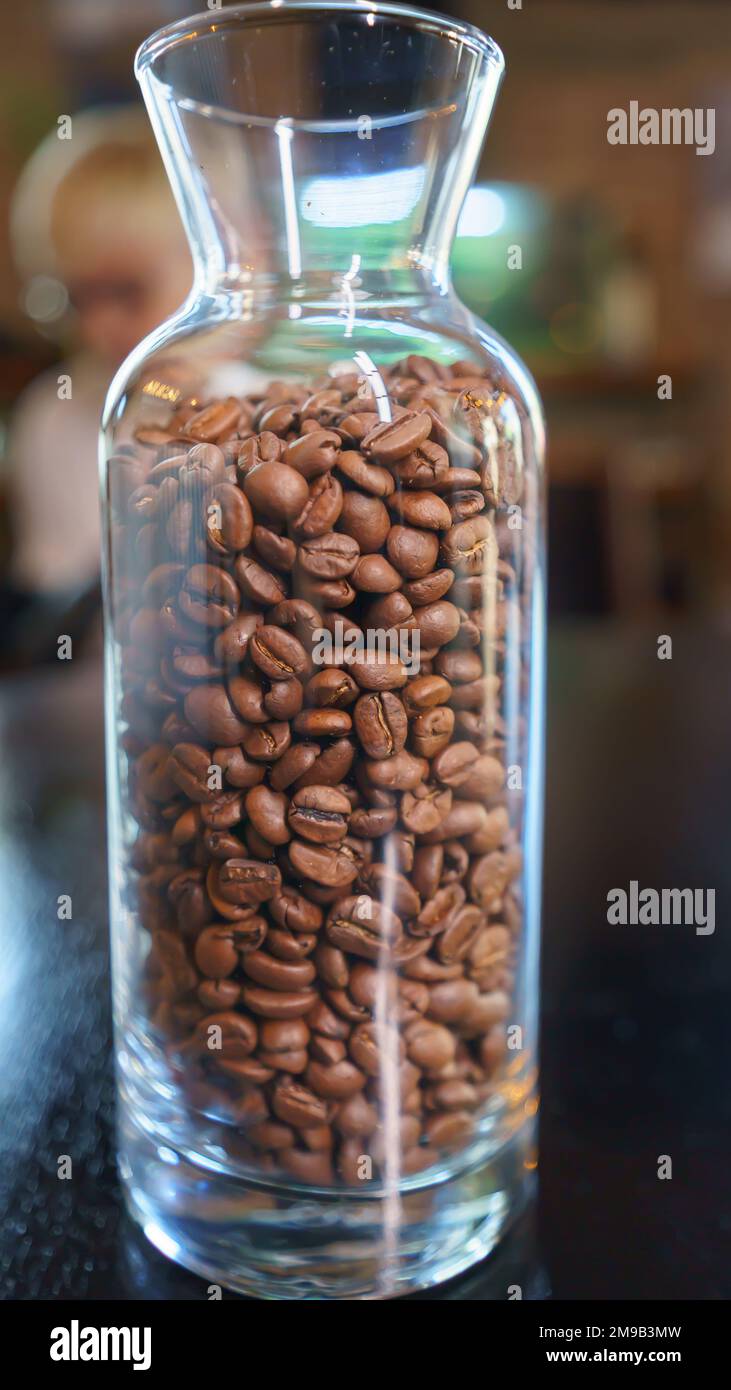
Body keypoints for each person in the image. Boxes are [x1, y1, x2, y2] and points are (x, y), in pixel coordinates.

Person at [4, 106, 191, 660]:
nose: (99, 326)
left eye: (127, 291)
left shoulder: (267, 397)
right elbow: (54, 603)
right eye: (77, 298)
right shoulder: (53, 416)